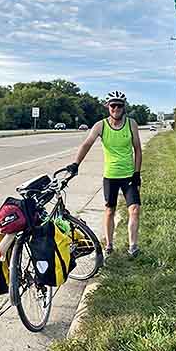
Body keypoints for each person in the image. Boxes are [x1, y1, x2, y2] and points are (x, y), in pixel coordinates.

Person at [65, 90, 142, 258]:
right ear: (108, 107)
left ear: (124, 107)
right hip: (111, 176)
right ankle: (109, 244)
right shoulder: (101, 125)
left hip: (129, 175)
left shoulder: (131, 124)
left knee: (134, 210)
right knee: (109, 211)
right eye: (113, 105)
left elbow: (137, 149)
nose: (116, 108)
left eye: (119, 105)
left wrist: (137, 173)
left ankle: (133, 246)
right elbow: (87, 144)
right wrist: (75, 164)